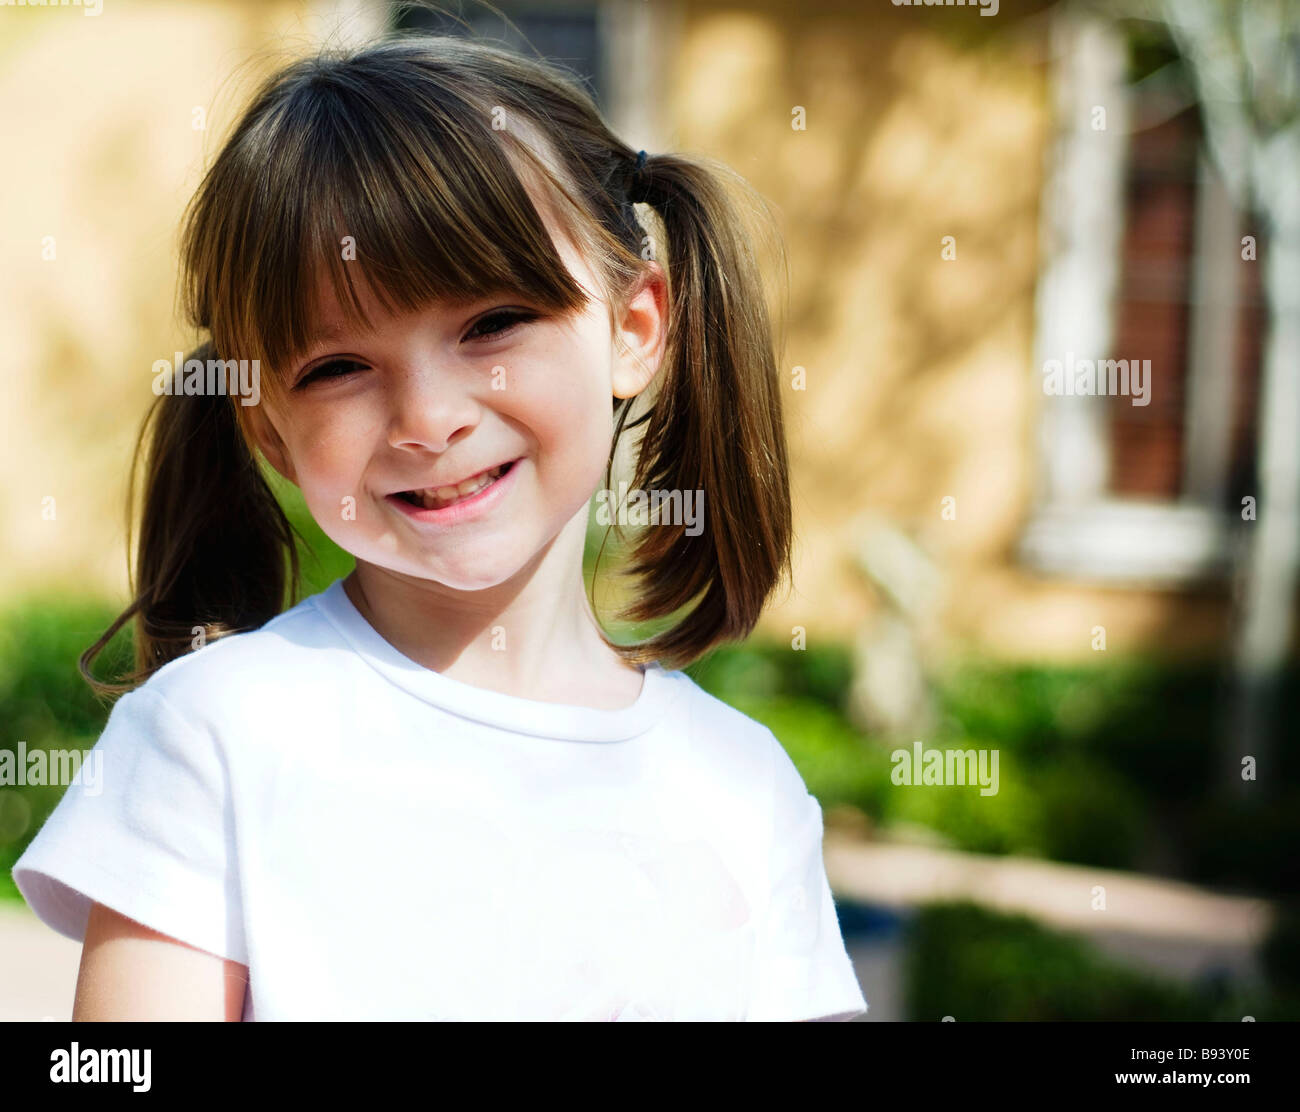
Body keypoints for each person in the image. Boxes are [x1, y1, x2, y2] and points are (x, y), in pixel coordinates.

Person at [12, 27, 868, 1023]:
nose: (429, 417)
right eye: (337, 367)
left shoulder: (741, 786)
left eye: (492, 322)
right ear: (270, 428)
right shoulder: (218, 736)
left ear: (634, 327)